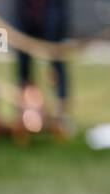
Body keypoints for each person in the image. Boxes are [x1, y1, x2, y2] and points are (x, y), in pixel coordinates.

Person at [15, 0, 70, 135]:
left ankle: (60, 114)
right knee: (24, 67)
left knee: (56, 65)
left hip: (50, 16)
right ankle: (25, 113)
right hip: (26, 16)